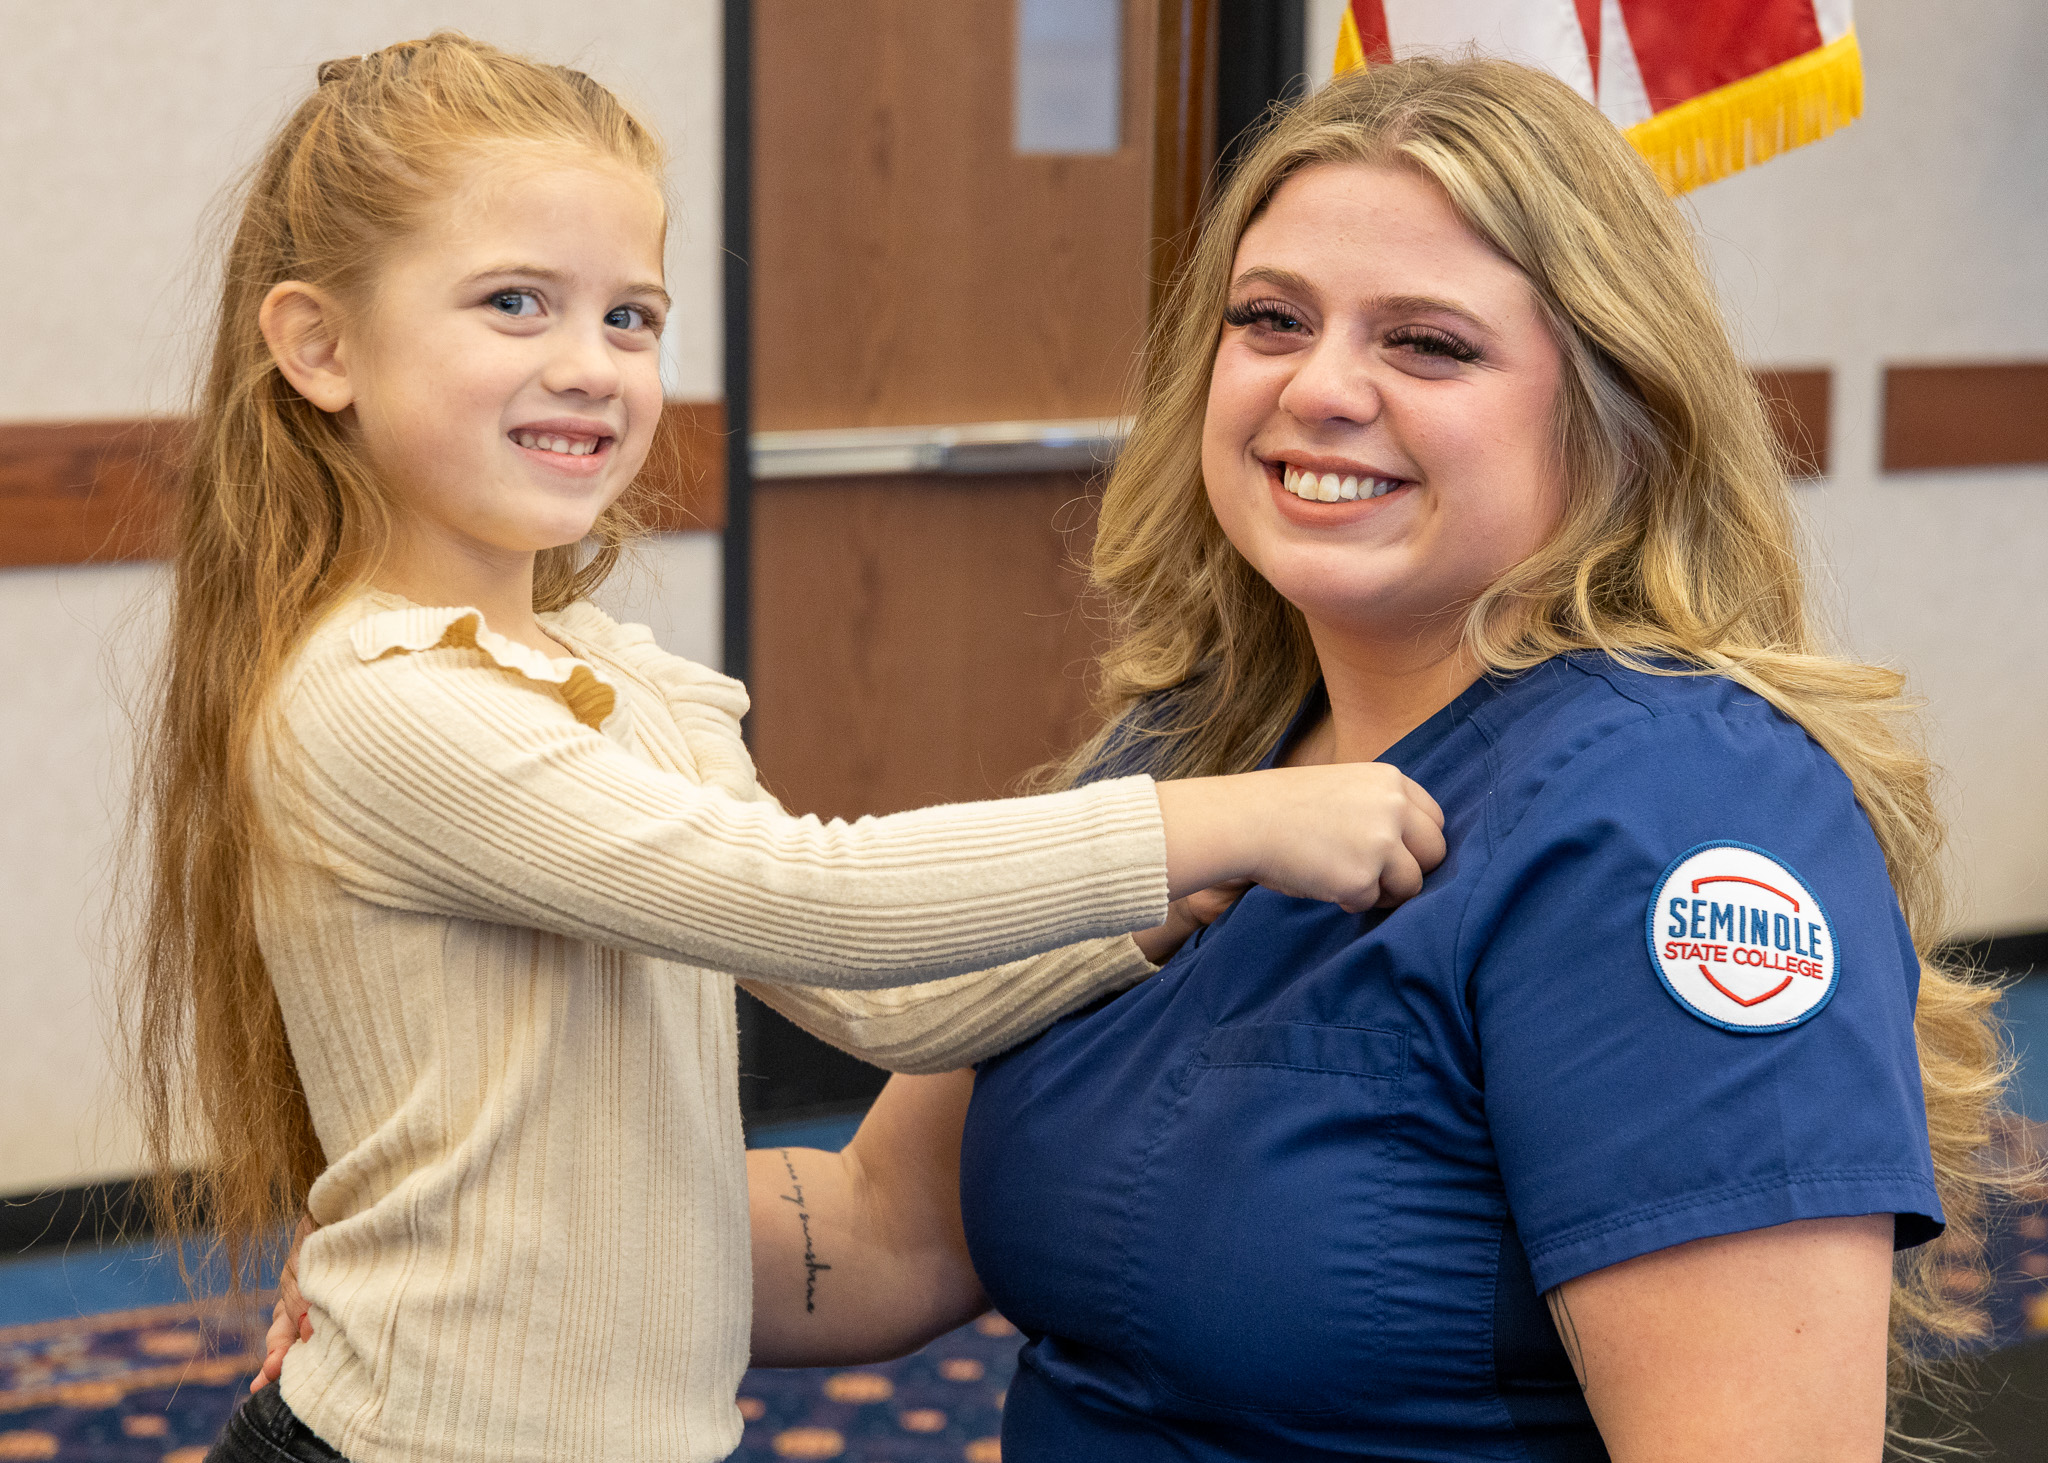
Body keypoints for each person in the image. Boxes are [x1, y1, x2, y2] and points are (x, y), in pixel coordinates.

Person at [126, 34, 1452, 1463]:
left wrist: (1159, 915)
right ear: (319, 346)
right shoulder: (383, 699)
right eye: (515, 304)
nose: (591, 368)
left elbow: (869, 1004)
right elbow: (812, 898)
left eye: (632, 318)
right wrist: (1223, 822)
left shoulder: (603, 674)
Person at [683, 54, 2013, 1461]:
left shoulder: (1675, 815)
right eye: (1271, 319)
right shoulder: (1193, 748)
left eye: (1427, 343)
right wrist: (482, 1207)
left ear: (1613, 408)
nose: (1319, 388)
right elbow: (886, 1230)